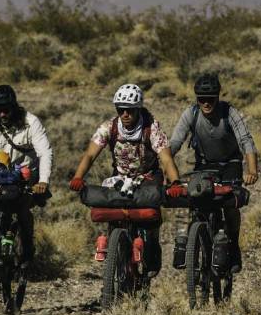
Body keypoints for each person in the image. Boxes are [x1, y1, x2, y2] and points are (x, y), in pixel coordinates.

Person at [68, 83, 182, 275]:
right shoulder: (109, 127)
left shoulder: (151, 128)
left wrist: (175, 182)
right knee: (113, 209)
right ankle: (115, 250)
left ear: (138, 109)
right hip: (119, 177)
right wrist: (78, 177)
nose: (125, 114)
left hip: (148, 177)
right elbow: (89, 155)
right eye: (121, 110)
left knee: (149, 216)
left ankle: (151, 252)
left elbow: (166, 158)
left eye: (129, 110)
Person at [168, 73, 258, 272]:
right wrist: (164, 162)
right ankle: (187, 242)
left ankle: (233, 245)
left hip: (230, 163)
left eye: (211, 99)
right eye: (202, 99)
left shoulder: (229, 113)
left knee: (230, 202)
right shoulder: (191, 113)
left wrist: (251, 170)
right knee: (190, 198)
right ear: (196, 98)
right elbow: (174, 142)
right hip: (205, 164)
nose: (206, 103)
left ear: (218, 97)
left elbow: (246, 141)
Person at [0, 84, 52, 269]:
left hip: (25, 178)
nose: (2, 114)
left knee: (22, 208)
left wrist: (42, 181)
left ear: (14, 107)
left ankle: (27, 249)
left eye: (6, 110)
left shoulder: (31, 123)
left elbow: (45, 152)